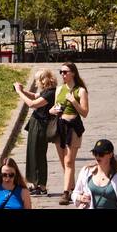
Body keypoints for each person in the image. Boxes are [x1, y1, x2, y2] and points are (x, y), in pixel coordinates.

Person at [50, 62, 90, 205]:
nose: (63, 74)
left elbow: (85, 113)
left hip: (73, 127)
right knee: (64, 162)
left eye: (65, 72)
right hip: (60, 126)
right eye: (61, 72)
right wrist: (52, 111)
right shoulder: (59, 89)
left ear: (73, 73)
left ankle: (66, 193)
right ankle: (74, 188)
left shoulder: (81, 91)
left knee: (69, 161)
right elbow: (55, 106)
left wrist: (74, 102)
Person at [14, 70, 57, 195]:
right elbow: (34, 96)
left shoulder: (50, 93)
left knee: (38, 154)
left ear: (44, 80)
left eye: (37, 79)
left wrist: (19, 93)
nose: (36, 82)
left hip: (41, 125)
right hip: (36, 124)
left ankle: (41, 185)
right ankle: (35, 183)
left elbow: (32, 104)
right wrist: (22, 90)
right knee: (32, 153)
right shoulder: (46, 92)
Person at [74, 139, 117, 209]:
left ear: (110, 155)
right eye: (95, 153)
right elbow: (75, 193)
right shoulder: (86, 171)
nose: (97, 156)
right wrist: (80, 197)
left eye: (101, 154)